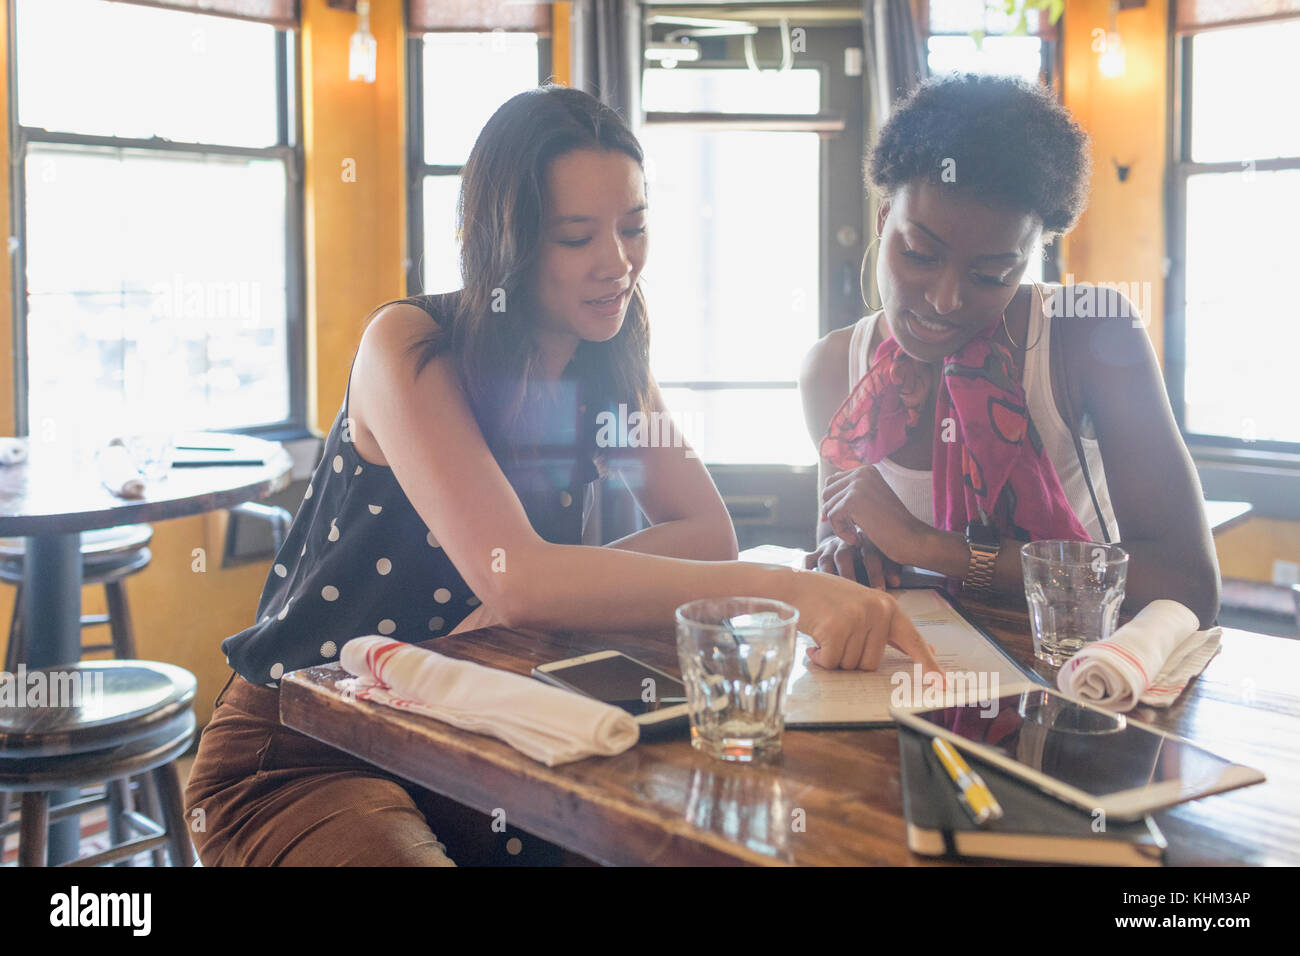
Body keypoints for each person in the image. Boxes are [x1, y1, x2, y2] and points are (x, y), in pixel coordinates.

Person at [184, 85, 940, 867]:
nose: (616, 264)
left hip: (481, 729)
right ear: (503, 241)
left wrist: (543, 597)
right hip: (310, 745)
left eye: (634, 227)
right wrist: (788, 591)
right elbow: (525, 580)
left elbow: (707, 532)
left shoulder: (610, 354)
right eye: (576, 236)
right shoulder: (408, 345)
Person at [799, 73, 1220, 628]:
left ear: (1029, 260)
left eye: (992, 273)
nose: (946, 300)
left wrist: (930, 547)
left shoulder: (1088, 334)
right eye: (920, 255)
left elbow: (1187, 581)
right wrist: (846, 553)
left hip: (1084, 678)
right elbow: (839, 539)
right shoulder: (834, 370)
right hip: (918, 685)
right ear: (884, 221)